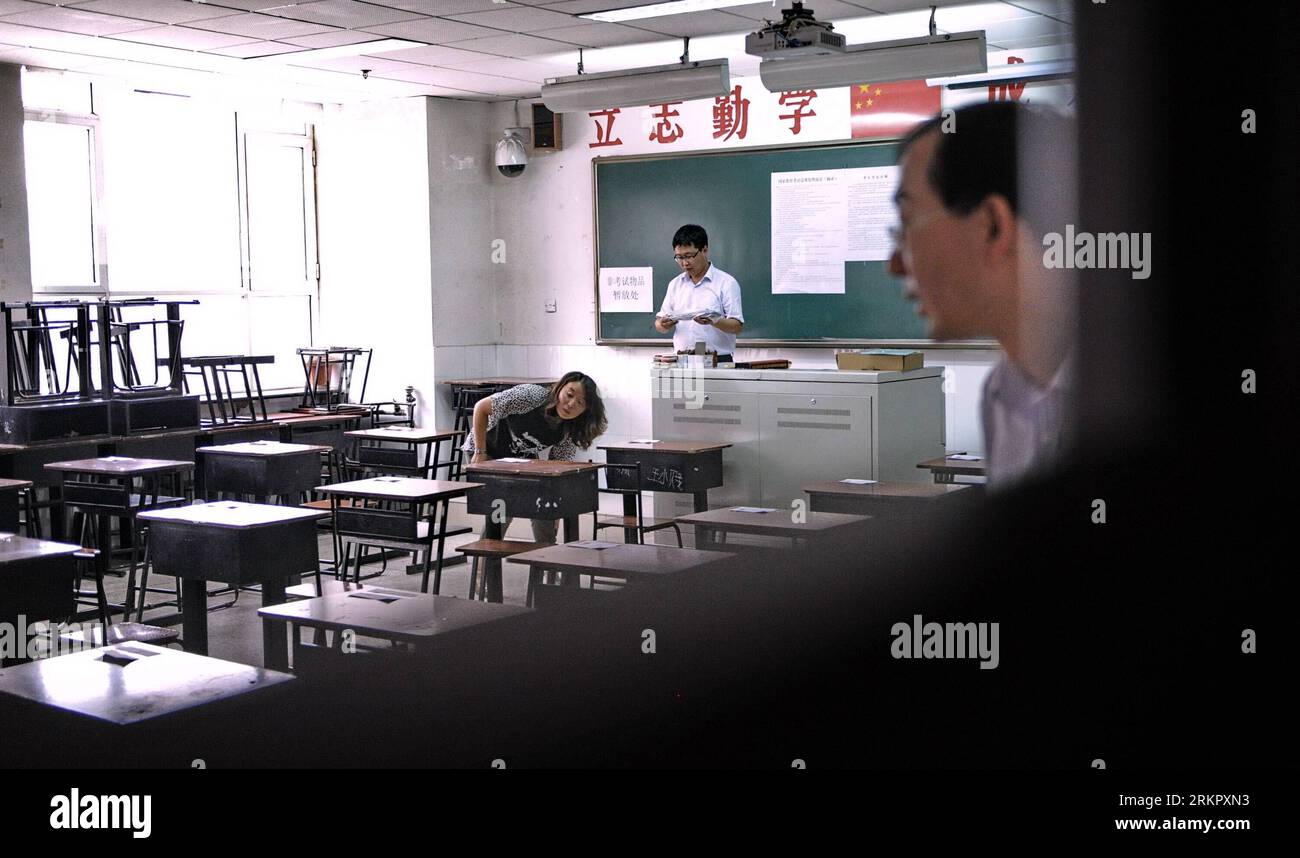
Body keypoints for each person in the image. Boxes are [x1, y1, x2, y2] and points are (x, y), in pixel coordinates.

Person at [886, 101, 1075, 488]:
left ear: (991, 226)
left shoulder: (1133, 386)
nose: (895, 264)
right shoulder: (1004, 393)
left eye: (908, 225)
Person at [463, 371, 607, 543]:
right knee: (502, 507)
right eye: (569, 395)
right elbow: (481, 408)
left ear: (585, 411)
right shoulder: (532, 396)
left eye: (580, 403)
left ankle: (546, 564)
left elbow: (558, 468)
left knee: (544, 509)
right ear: (560, 387)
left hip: (521, 460)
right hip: (486, 448)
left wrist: (556, 512)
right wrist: (480, 452)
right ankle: (485, 566)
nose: (570, 404)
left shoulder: (569, 431)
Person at [654, 224, 744, 363]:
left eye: (689, 256)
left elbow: (737, 326)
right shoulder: (675, 285)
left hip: (717, 361)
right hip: (682, 360)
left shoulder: (726, 283)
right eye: (679, 257)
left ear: (704, 250)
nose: (684, 263)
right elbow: (659, 325)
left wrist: (714, 321)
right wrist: (664, 324)